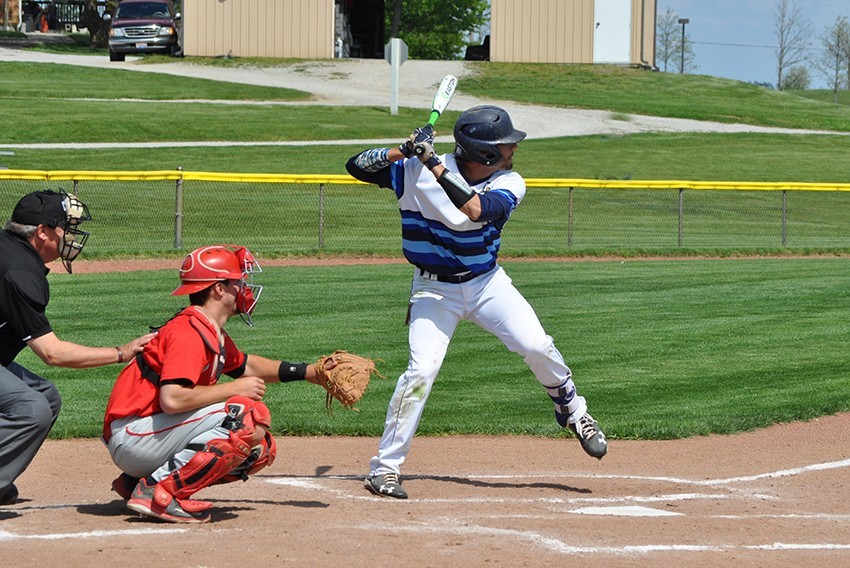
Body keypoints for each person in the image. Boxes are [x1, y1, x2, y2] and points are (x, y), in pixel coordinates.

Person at [346, 105, 608, 499]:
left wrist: (431, 161)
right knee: (420, 372)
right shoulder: (412, 169)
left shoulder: (510, 182)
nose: (512, 150)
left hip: (487, 285)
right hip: (434, 291)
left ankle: (572, 411)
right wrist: (401, 150)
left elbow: (475, 209)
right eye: (505, 145)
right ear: (484, 153)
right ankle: (384, 469)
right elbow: (354, 166)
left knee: (536, 345)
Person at [102, 244, 343, 524]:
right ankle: (159, 491)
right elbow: (173, 398)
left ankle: (137, 483)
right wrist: (233, 389)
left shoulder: (207, 328)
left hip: (148, 435)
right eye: (238, 281)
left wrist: (309, 372)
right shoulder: (188, 333)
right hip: (134, 436)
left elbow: (246, 365)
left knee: (259, 449)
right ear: (218, 288)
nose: (244, 288)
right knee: (247, 416)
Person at [0, 189, 154, 506]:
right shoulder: (19, 272)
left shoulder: (10, 252)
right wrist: (120, 352)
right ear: (42, 231)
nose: (69, 235)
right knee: (32, 410)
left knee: (46, 395)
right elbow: (52, 353)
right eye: (64, 227)